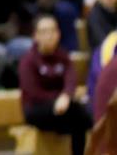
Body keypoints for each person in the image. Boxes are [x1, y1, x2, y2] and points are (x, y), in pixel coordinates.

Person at [20, 14, 92, 155]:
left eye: (53, 31)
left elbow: (71, 78)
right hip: (37, 109)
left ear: (58, 33)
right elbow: (34, 93)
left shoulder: (62, 56)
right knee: (77, 113)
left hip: (63, 107)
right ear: (36, 36)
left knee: (81, 118)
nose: (50, 35)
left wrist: (66, 95)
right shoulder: (28, 61)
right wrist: (60, 98)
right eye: (45, 32)